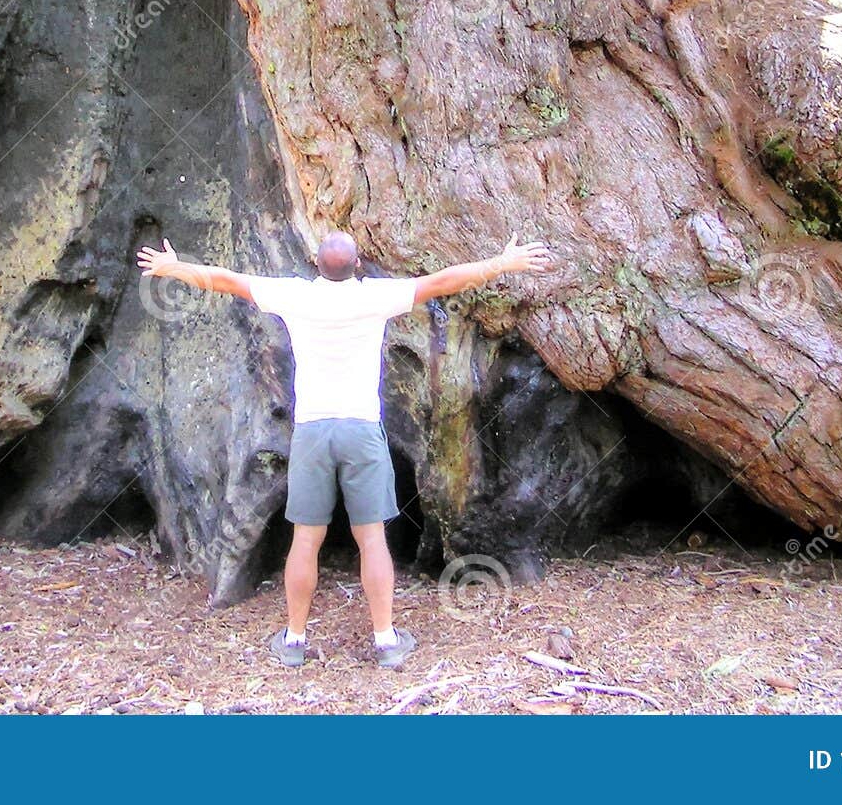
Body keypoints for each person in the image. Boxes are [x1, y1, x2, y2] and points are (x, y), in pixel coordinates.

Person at [135, 228, 553, 669]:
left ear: (316, 264)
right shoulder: (373, 297)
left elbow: (226, 280)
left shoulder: (294, 296)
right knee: (372, 539)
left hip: (313, 432)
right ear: (357, 266)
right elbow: (444, 281)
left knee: (306, 539)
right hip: (361, 429)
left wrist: (173, 268)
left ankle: (294, 639)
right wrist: (503, 263)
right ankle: (386, 640)